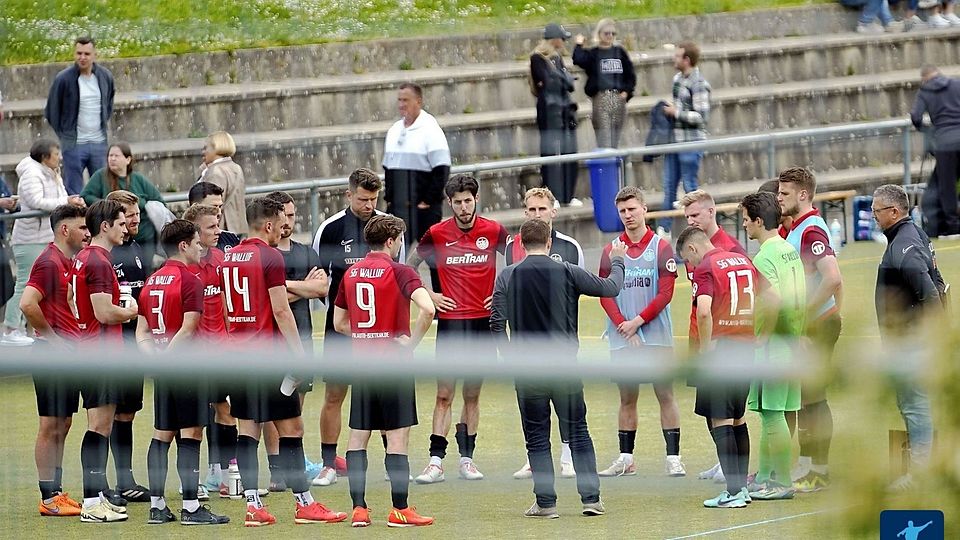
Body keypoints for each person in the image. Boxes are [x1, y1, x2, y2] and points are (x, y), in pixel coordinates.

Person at [222, 197, 346, 526]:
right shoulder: (270, 255)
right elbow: (280, 309)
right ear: (268, 225)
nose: (283, 229)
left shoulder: (230, 258)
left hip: (238, 355)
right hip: (269, 356)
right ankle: (304, 503)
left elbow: (226, 309)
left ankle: (253, 506)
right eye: (280, 223)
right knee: (292, 427)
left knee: (248, 428)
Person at [490, 218, 626, 518]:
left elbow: (496, 323)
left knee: (537, 436)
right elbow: (611, 288)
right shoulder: (567, 270)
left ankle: (546, 503)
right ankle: (591, 499)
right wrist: (618, 260)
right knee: (578, 431)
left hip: (528, 372)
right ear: (549, 242)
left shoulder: (507, 276)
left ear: (521, 245)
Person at [333, 214, 436, 528]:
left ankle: (359, 509)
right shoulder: (401, 271)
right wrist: (409, 344)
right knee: (396, 437)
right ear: (391, 241)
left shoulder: (351, 273)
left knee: (357, 436)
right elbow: (428, 309)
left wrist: (366, 337)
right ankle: (400, 509)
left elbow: (339, 323)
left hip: (363, 364)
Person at [407, 174, 508, 484]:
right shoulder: (436, 233)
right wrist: (430, 295)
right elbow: (409, 267)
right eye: (458, 202)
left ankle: (467, 459)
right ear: (449, 203)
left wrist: (502, 292)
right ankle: (435, 461)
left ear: (476, 199)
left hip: (482, 325)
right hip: (451, 325)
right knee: (443, 394)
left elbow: (519, 262)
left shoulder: (493, 230)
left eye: (468, 200)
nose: (464, 207)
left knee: (472, 394)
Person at [311, 168, 405, 486]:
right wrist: (344, 318)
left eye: (374, 199)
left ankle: (391, 461)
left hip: (380, 331)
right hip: (341, 328)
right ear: (348, 195)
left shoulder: (388, 227)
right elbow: (319, 281)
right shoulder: (331, 229)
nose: (368, 205)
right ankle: (328, 463)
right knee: (335, 393)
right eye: (363, 199)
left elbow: (399, 277)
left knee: (383, 395)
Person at [136, 219, 230, 526]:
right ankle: (191, 507)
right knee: (191, 433)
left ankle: (157, 506)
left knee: (161, 435)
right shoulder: (190, 280)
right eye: (198, 243)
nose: (202, 248)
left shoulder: (152, 281)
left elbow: (142, 333)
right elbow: (189, 329)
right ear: (184, 246)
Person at [596, 187, 683, 478]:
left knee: (665, 393)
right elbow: (605, 293)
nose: (628, 215)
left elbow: (666, 292)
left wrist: (637, 322)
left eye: (633, 209)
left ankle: (673, 457)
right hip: (623, 338)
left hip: (656, 336)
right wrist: (624, 325)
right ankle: (626, 458)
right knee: (627, 397)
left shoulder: (661, 247)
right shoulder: (611, 250)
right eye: (622, 211)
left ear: (645, 209)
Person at [675, 226, 764, 509]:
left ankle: (734, 492)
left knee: (721, 419)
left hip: (721, 349)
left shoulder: (706, 267)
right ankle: (742, 490)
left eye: (687, 260)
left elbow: (703, 310)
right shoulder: (742, 259)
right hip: (746, 348)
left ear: (692, 249)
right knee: (738, 417)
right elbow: (772, 298)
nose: (690, 266)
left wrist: (705, 348)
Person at [507, 187, 584, 480]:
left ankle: (567, 457)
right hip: (526, 343)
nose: (537, 214)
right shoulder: (513, 246)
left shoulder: (570, 247)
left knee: (566, 403)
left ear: (554, 211)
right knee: (533, 407)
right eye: (532, 210)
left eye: (542, 209)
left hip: (562, 341)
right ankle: (535, 458)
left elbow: (577, 290)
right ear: (525, 212)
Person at [71, 199, 139, 522]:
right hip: (100, 353)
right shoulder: (97, 261)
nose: (126, 229)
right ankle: (90, 500)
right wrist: (130, 311)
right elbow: (103, 312)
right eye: (121, 223)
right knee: (98, 426)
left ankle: (96, 495)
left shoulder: (85, 258)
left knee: (103, 425)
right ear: (105, 226)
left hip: (92, 350)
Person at [872, 184, 943, 491]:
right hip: (907, 340)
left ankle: (921, 474)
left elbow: (929, 292)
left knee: (916, 405)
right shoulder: (908, 237)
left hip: (911, 341)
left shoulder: (904, 246)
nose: (873, 216)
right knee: (912, 403)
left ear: (894, 212)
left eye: (876, 211)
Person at [19, 205, 89, 517]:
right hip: (51, 354)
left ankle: (57, 493)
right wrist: (53, 339)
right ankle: (48, 498)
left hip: (66, 354)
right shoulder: (48, 262)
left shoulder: (66, 261)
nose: (87, 232)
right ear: (64, 230)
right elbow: (27, 303)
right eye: (82, 227)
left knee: (64, 422)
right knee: (50, 424)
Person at [777, 167, 843, 493]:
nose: (778, 198)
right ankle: (808, 466)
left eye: (784, 193)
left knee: (813, 399)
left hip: (814, 328)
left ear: (803, 195)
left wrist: (805, 318)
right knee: (804, 398)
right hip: (812, 326)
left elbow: (832, 278)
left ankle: (819, 470)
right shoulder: (797, 228)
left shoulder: (811, 230)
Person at [677, 189, 748, 485]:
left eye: (695, 215)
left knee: (729, 411)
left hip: (721, 344)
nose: (691, 221)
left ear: (711, 212)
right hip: (701, 338)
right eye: (687, 216)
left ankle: (733, 478)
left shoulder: (729, 249)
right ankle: (724, 463)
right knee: (710, 408)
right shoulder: (692, 248)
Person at [740, 192, 804, 501]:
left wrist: (763, 336)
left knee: (772, 414)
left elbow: (773, 300)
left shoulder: (764, 257)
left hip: (774, 347)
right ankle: (765, 476)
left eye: (746, 219)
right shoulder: (788, 249)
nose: (743, 225)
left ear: (758, 221)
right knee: (772, 412)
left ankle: (782, 482)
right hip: (792, 343)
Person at [262, 190, 328, 491]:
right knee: (275, 411)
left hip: (302, 337)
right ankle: (278, 471)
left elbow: (322, 290)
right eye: (283, 216)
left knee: (295, 410)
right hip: (274, 342)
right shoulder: (265, 255)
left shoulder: (305, 252)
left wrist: (286, 287)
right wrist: (304, 286)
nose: (287, 221)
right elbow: (269, 298)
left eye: (291, 215)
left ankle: (294, 466)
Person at [4, 139, 85, 346]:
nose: (60, 157)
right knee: (25, 284)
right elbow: (36, 202)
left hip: (43, 237)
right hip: (29, 239)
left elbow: (60, 199)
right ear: (44, 157)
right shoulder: (32, 173)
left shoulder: (51, 173)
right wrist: (66, 203)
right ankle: (12, 328)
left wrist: (69, 201)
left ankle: (26, 329)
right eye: (56, 153)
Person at [182, 203, 237, 495]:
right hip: (192, 355)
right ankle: (197, 480)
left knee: (226, 410)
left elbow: (227, 303)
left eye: (218, 225)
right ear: (195, 232)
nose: (218, 231)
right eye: (212, 227)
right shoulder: (184, 266)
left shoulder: (219, 258)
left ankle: (226, 474)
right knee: (195, 419)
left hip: (221, 350)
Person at [103, 190, 151, 503]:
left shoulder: (133, 247)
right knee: (105, 414)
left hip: (135, 341)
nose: (134, 220)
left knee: (127, 413)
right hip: (112, 344)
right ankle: (102, 484)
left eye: (135, 214)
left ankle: (125, 479)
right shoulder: (104, 254)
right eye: (128, 215)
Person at [44, 37, 115, 195]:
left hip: (98, 143)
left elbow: (108, 103)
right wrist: (65, 134)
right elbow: (51, 110)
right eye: (79, 53)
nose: (82, 57)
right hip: (74, 144)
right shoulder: (64, 79)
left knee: (102, 189)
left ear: (94, 55)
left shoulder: (104, 76)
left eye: (87, 54)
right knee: (74, 190)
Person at [382, 83, 451, 244]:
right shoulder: (394, 130)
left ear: (418, 101)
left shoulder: (431, 130)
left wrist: (427, 201)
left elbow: (442, 170)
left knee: (433, 259)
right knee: (395, 258)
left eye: (406, 100)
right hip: (398, 209)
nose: (401, 104)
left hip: (423, 210)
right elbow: (387, 169)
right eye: (399, 100)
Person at [658, 41, 711, 233]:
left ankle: (698, 230)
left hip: (691, 143)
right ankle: (663, 232)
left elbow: (702, 117)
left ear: (686, 60)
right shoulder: (677, 79)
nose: (674, 58)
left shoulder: (699, 84)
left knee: (690, 187)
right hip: (674, 142)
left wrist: (676, 113)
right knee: (669, 189)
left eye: (677, 56)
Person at [81, 143, 165, 259]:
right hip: (116, 237)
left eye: (116, 156)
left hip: (143, 237)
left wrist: (140, 207)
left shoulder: (138, 179)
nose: (112, 159)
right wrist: (107, 205)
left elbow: (158, 201)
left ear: (128, 159)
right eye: (110, 156)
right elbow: (85, 195)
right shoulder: (101, 176)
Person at [531, 24, 581, 207]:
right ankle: (552, 196)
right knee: (551, 154)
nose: (564, 42)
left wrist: (561, 77)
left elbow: (565, 83)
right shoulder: (538, 58)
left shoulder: (557, 58)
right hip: (549, 109)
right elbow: (549, 81)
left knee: (570, 151)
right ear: (554, 39)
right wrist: (563, 77)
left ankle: (568, 195)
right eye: (561, 38)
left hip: (565, 108)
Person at [910, 65, 960, 237]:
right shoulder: (956, 84)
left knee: (947, 186)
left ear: (924, 78)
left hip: (945, 143)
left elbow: (915, 117)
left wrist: (929, 131)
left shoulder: (925, 91)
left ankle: (952, 226)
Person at [572, 19, 636, 149]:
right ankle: (606, 166)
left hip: (618, 96)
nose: (610, 36)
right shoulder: (594, 53)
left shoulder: (620, 52)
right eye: (607, 33)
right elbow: (578, 59)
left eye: (613, 33)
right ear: (599, 34)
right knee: (604, 138)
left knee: (615, 138)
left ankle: (614, 165)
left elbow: (630, 74)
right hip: (601, 97)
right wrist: (579, 45)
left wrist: (626, 92)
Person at [198, 131, 247, 234]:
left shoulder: (215, 172)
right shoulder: (236, 167)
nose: (203, 152)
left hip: (222, 229)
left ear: (216, 148)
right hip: (238, 227)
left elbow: (211, 205)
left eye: (206, 148)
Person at [187, 181, 241, 251]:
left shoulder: (230, 239)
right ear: (195, 207)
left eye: (220, 206)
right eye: (213, 207)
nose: (219, 212)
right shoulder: (180, 244)